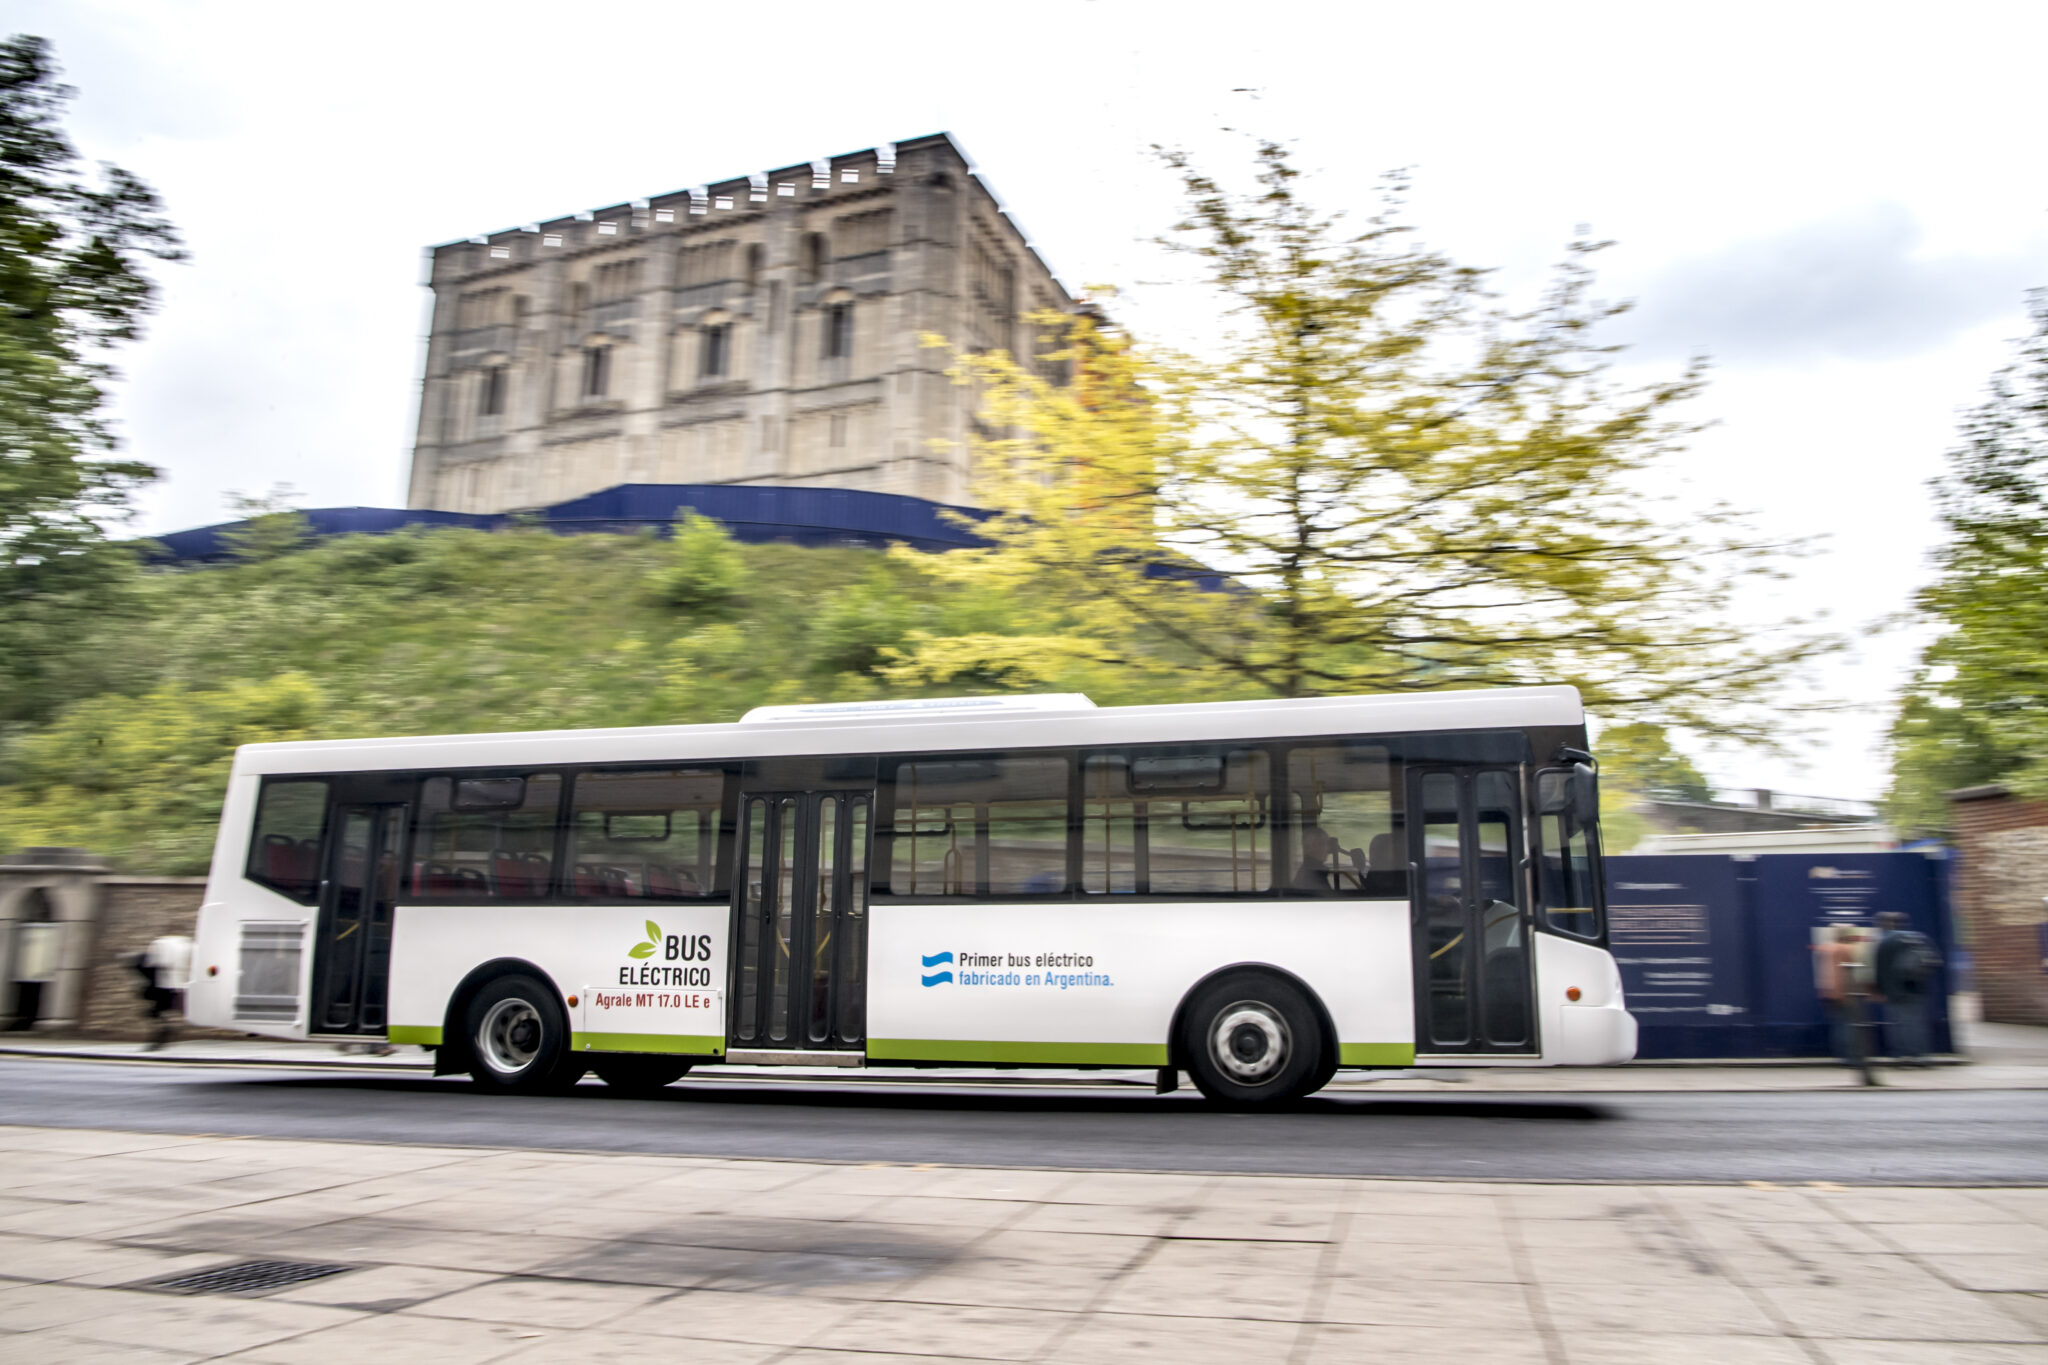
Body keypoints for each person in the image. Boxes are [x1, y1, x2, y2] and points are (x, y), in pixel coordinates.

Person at [1873, 910, 1942, 1066]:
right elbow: (1935, 960)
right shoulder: (1918, 938)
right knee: (1918, 1023)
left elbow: (1880, 969)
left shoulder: (1885, 941)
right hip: (1917, 988)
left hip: (1895, 991)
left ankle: (1902, 1055)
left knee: (1898, 1024)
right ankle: (1921, 1055)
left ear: (1884, 925)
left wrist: (1879, 990)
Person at [1811, 923, 1875, 1085]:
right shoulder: (1846, 950)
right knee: (1851, 1027)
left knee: (1840, 1025)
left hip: (1829, 991)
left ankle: (1843, 1055)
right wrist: (1844, 992)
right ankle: (1852, 1058)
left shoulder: (1827, 948)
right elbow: (1844, 973)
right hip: (1845, 992)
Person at [135, 935, 192, 1050]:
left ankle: (162, 1035)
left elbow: (153, 966)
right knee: (156, 1012)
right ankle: (163, 1034)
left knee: (153, 1013)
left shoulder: (160, 949)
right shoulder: (181, 948)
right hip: (173, 988)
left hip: (165, 989)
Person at [1294, 825, 1369, 893]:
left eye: (1327, 844)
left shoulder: (1310, 869)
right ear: (1308, 847)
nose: (1326, 848)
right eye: (1321, 844)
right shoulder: (1314, 874)